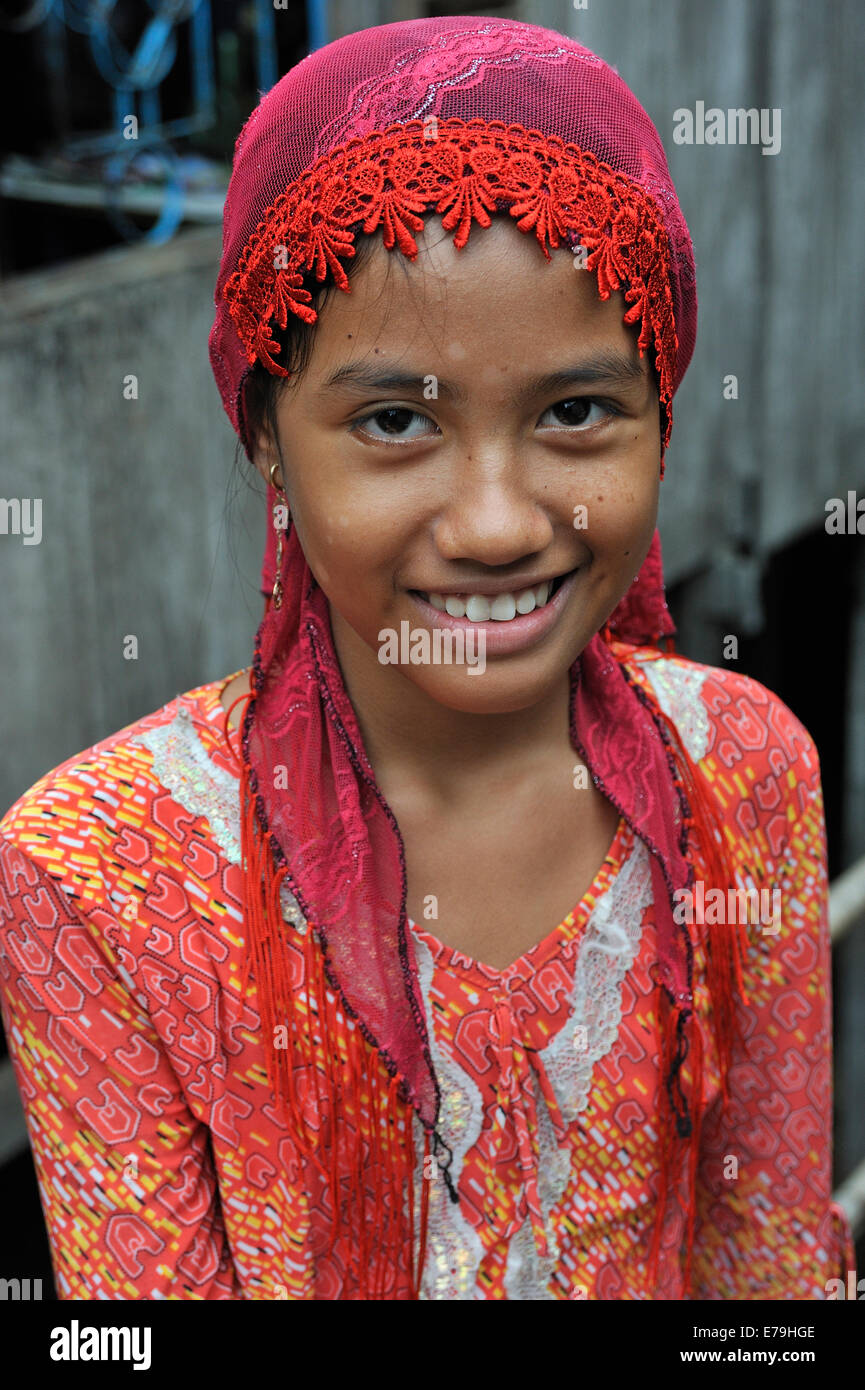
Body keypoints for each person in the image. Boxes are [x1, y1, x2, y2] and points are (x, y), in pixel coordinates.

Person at [0, 15, 854, 1301]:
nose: (500, 523)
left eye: (577, 411)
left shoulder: (744, 771)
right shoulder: (100, 874)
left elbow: (771, 1274)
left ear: (659, 422)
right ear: (269, 442)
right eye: (394, 420)